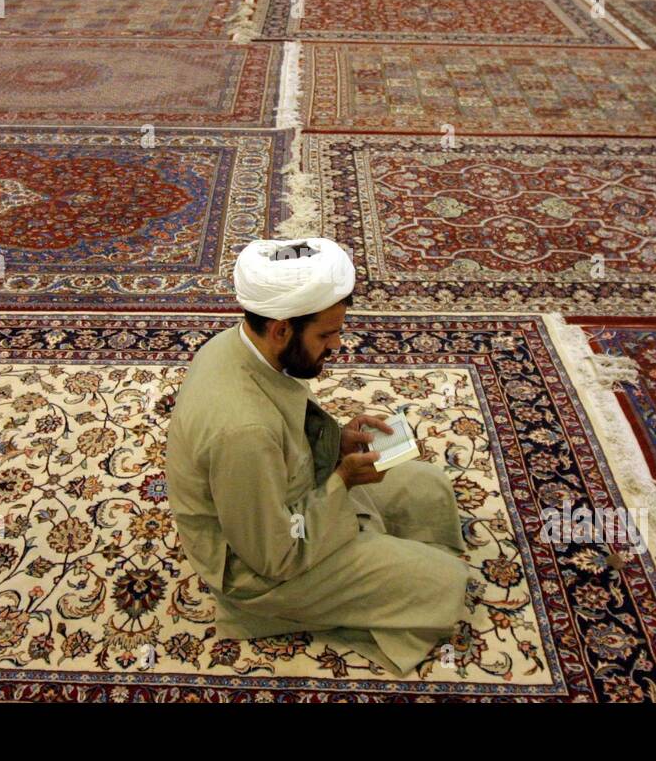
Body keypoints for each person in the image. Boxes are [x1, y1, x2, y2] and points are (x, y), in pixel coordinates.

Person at [166, 239, 471, 677]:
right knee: (444, 583)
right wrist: (341, 482)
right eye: (326, 335)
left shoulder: (237, 342)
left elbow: (284, 429)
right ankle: (267, 613)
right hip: (260, 568)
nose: (338, 345)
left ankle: (375, 553)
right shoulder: (243, 433)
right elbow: (273, 556)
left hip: (287, 494)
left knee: (429, 487)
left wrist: (335, 441)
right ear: (281, 330)